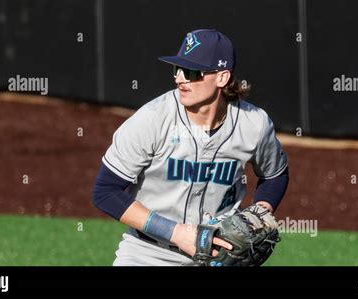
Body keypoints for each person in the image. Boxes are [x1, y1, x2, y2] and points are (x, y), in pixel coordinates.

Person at [92, 29, 289, 266]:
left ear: (222, 78)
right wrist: (176, 233)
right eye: (177, 69)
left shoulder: (254, 124)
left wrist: (260, 211)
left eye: (192, 72)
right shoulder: (151, 120)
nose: (180, 78)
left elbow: (275, 175)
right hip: (146, 254)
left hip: (218, 256)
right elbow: (105, 192)